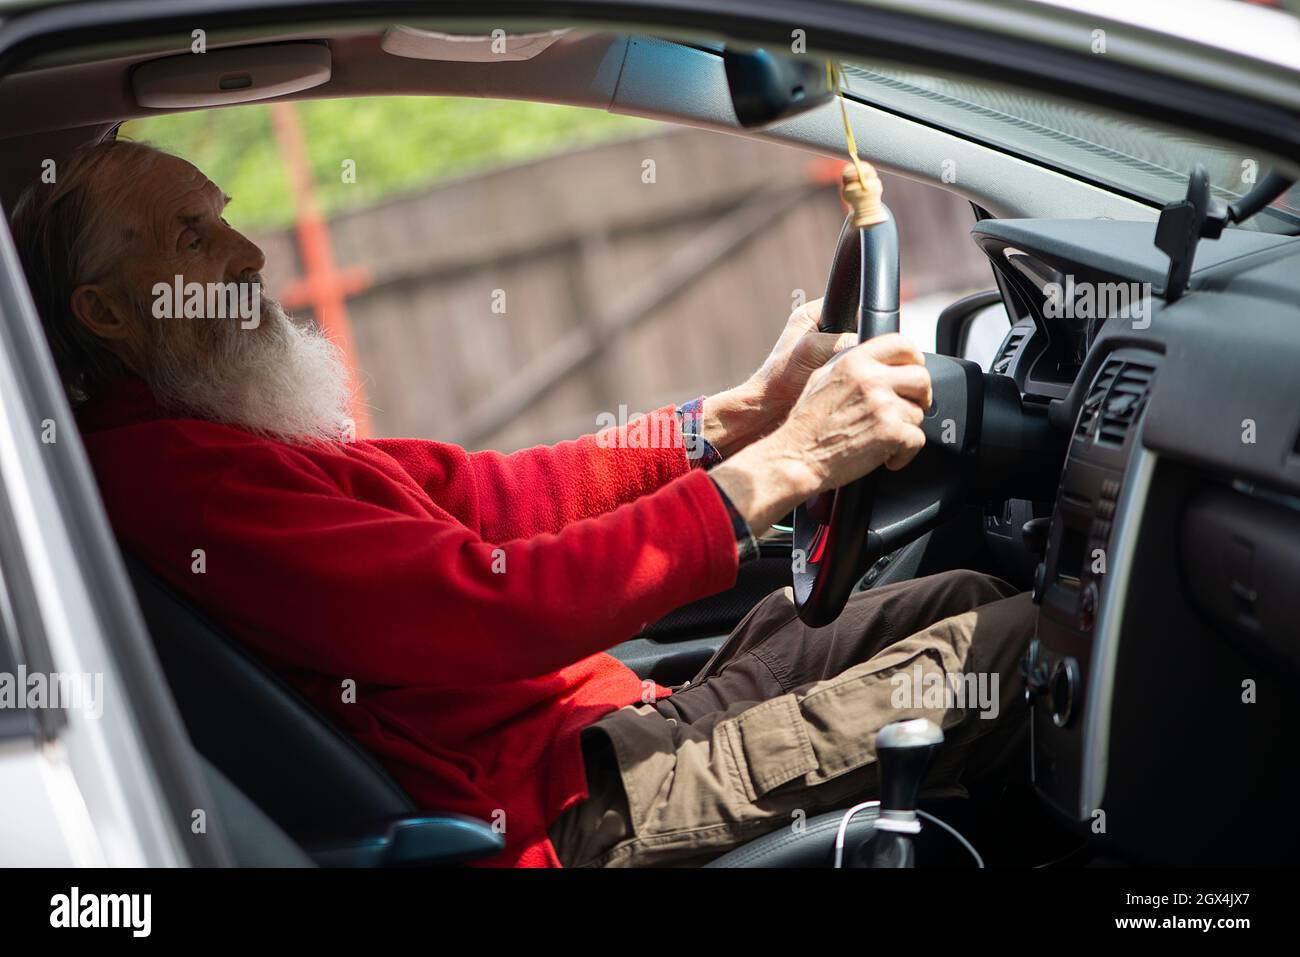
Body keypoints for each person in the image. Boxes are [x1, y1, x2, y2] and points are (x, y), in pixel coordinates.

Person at [10, 139, 1035, 867]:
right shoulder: (178, 478)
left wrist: (736, 417)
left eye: (226, 217)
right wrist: (790, 463)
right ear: (103, 312)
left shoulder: (219, 430)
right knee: (1021, 651)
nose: (246, 253)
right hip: (573, 812)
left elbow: (490, 499)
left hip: (603, 738)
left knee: (959, 596)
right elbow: (492, 603)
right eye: (191, 238)